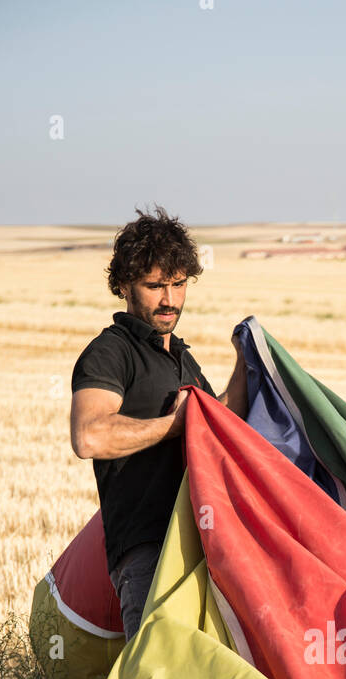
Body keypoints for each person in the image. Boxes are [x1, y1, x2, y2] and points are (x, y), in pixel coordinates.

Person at [70, 205, 248, 642]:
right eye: (154, 286)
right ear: (125, 287)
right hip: (146, 551)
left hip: (202, 546)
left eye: (179, 284)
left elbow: (217, 421)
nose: (169, 300)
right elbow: (89, 435)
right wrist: (173, 426)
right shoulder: (110, 353)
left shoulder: (182, 358)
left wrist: (250, 361)